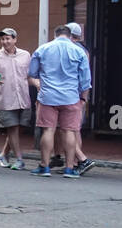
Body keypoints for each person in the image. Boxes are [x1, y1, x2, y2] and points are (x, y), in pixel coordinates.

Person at [27, 24, 92, 178]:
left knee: (48, 130)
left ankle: (45, 166)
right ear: (70, 36)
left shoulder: (43, 49)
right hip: (71, 97)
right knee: (69, 131)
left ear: (55, 35)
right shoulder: (79, 51)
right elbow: (85, 80)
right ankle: (70, 168)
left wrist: (40, 83)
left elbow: (32, 73)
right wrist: (83, 98)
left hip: (48, 96)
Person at [0, 27, 31, 169]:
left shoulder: (25, 55)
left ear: (15, 39)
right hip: (5, 99)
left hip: (23, 98)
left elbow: (29, 75)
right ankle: (19, 159)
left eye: (8, 38)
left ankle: (3, 154)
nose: (5, 41)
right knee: (12, 128)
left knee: (19, 128)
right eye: (2, 39)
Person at [64, 22, 96, 174]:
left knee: (68, 129)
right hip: (78, 93)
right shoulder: (84, 50)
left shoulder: (73, 49)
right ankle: (75, 161)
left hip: (70, 94)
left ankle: (80, 160)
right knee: (75, 129)